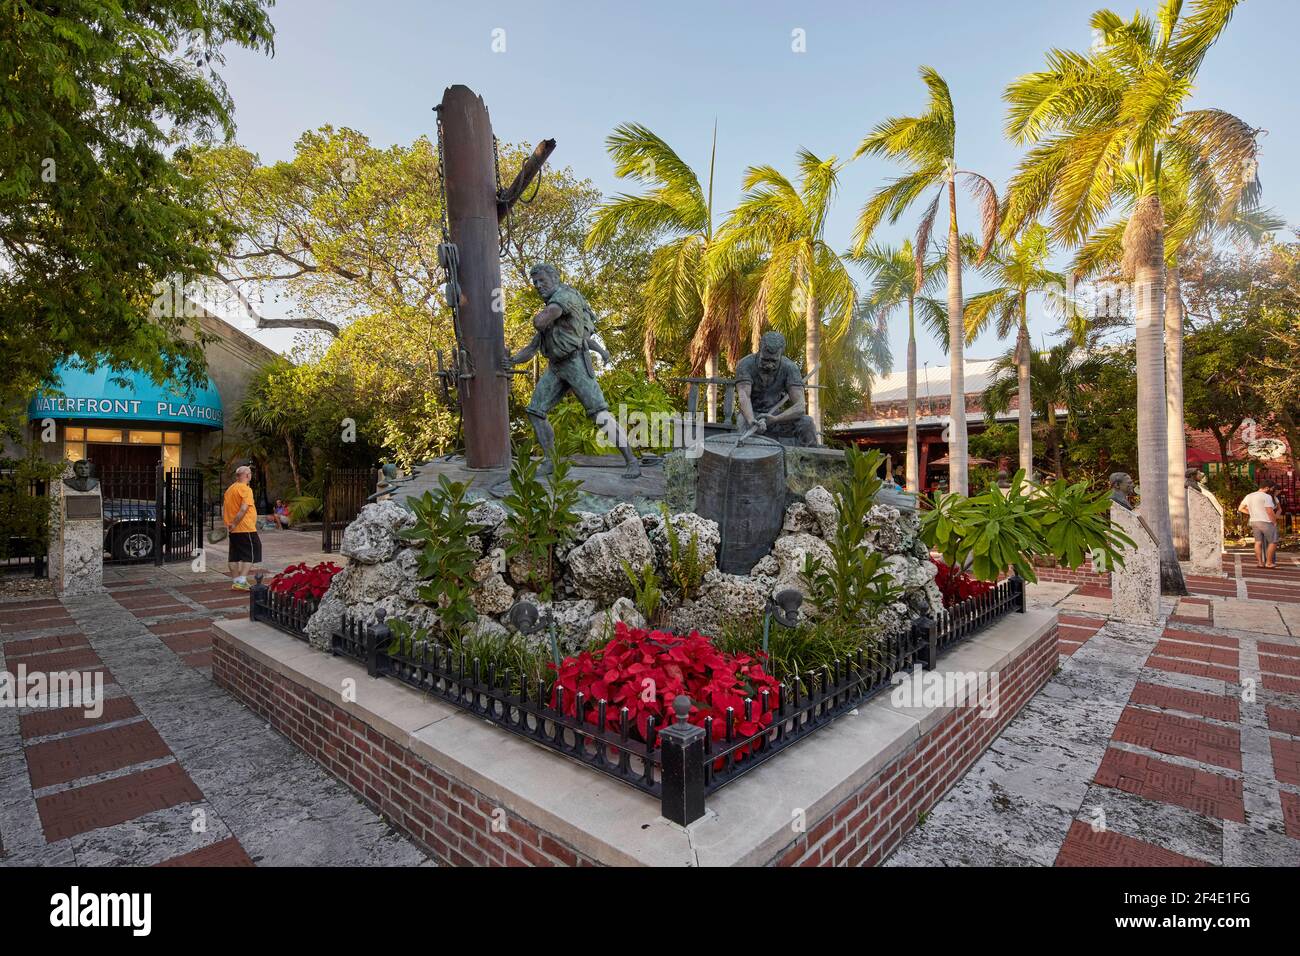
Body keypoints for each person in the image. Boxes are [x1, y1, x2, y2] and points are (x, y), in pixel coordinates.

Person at [503, 263, 640, 478]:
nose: (538, 286)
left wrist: (541, 317)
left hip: (575, 363)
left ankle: (632, 461)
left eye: (542, 281)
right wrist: (510, 361)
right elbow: (531, 348)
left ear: (554, 278)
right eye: (535, 283)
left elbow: (541, 321)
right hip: (556, 367)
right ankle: (550, 461)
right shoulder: (553, 306)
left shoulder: (564, 297)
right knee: (535, 411)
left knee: (599, 414)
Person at [735, 331, 818, 446]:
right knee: (742, 422)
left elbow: (800, 407)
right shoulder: (745, 364)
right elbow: (744, 396)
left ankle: (810, 460)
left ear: (781, 354)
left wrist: (775, 419)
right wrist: (751, 420)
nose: (769, 364)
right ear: (760, 350)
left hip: (776, 417)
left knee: (807, 422)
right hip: (752, 415)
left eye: (773, 361)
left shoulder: (790, 368)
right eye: (765, 360)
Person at [223, 465, 262, 590]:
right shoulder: (245, 489)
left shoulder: (230, 489)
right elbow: (244, 508)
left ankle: (236, 581)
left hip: (233, 530)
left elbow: (224, 508)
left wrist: (228, 524)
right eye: (250, 473)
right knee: (252, 552)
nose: (251, 475)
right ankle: (242, 580)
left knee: (234, 556)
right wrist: (234, 523)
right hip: (245, 528)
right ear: (246, 475)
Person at [1238, 479, 1279, 569]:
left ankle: (1260, 562)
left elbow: (1240, 508)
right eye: (1272, 488)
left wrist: (1252, 513)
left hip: (1254, 521)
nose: (1272, 490)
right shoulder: (1266, 497)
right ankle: (1269, 563)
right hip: (1266, 522)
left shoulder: (1249, 496)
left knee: (1258, 542)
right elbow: (1269, 511)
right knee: (1273, 542)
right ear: (1267, 488)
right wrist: (1274, 522)